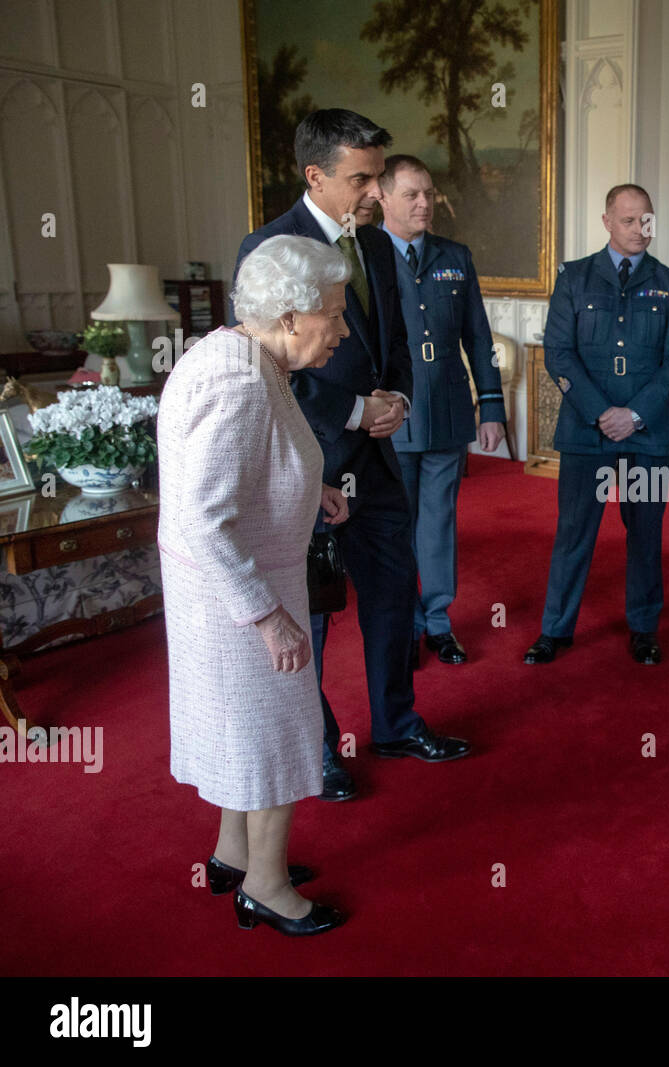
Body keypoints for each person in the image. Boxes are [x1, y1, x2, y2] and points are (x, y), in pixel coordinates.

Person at [235, 109, 470, 804]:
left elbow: (394, 337)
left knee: (394, 596)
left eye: (377, 175)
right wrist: (349, 412)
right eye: (362, 178)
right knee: (310, 614)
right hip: (303, 466)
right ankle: (317, 747)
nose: (376, 191)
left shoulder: (374, 244)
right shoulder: (268, 247)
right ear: (317, 176)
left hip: (377, 461)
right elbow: (266, 368)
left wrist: (392, 394)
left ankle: (396, 723)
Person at [159, 235, 351, 935]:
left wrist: (312, 489)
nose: (343, 329)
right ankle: (265, 888)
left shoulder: (239, 354)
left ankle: (233, 854)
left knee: (246, 734)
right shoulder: (239, 380)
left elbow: (247, 469)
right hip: (237, 600)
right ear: (294, 314)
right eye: (334, 313)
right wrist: (268, 617)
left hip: (227, 590)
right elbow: (204, 520)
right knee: (275, 733)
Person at [524, 183, 669, 665]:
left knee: (645, 533)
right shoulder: (575, 278)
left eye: (647, 219)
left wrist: (634, 415)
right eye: (628, 220)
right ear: (606, 222)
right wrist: (601, 412)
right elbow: (559, 353)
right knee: (574, 531)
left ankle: (644, 627)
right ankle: (556, 629)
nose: (640, 229)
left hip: (648, 436)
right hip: (586, 432)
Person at [377, 154, 506, 666]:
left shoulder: (455, 255)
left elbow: (478, 337)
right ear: (382, 197)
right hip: (392, 419)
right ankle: (403, 624)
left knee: (439, 523)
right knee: (397, 527)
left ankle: (437, 622)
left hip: (449, 413)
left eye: (428, 193)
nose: (425, 203)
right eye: (411, 194)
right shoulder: (365, 257)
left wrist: (491, 405)